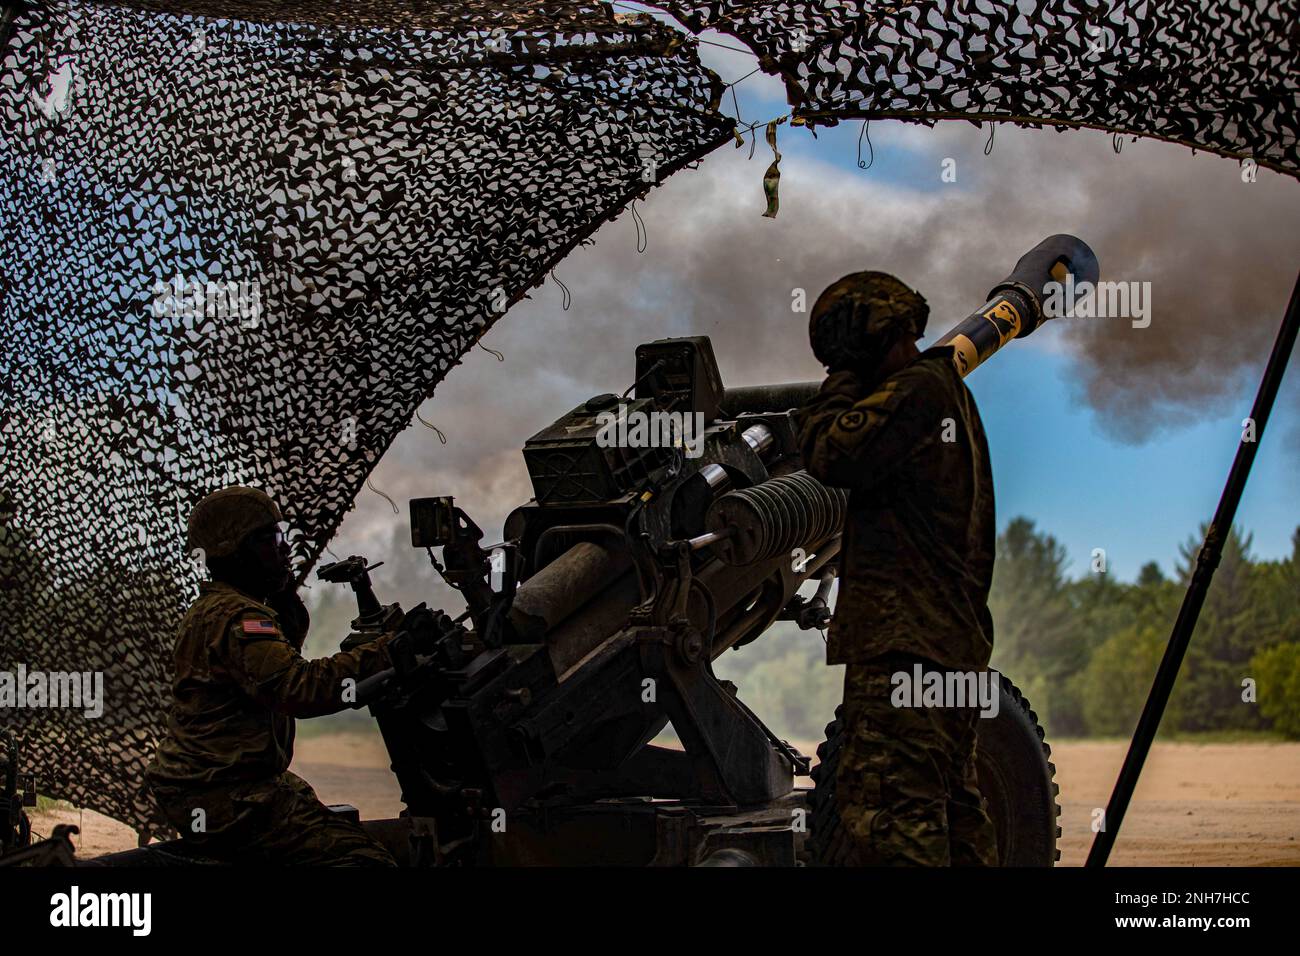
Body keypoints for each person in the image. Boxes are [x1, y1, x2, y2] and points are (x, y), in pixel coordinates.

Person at [793, 272, 999, 866]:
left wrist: (838, 389)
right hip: (949, 651)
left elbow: (833, 452)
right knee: (955, 820)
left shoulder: (917, 391)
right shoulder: (946, 391)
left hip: (904, 653)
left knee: (891, 825)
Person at [146, 485, 397, 865]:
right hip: (227, 793)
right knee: (365, 861)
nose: (284, 549)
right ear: (236, 550)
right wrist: (388, 651)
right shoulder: (240, 618)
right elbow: (298, 689)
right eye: (269, 539)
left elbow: (276, 662)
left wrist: (282, 595)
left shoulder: (215, 608)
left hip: (216, 784)